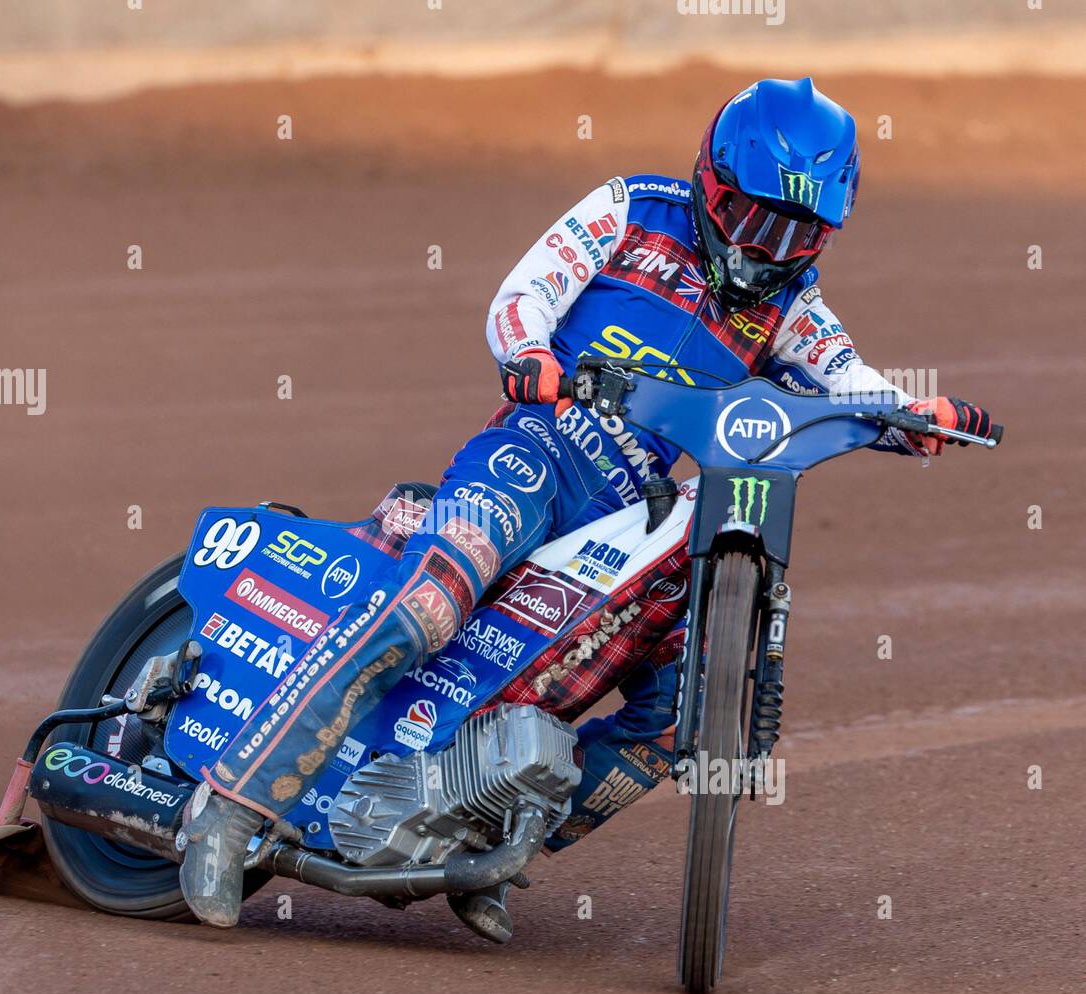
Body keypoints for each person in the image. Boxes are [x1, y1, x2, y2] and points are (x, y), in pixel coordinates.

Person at [140, 77, 996, 931]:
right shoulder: (632, 209)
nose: (768, 249)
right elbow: (524, 295)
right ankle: (233, 808)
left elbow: (852, 383)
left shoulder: (792, 310)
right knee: (427, 607)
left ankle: (486, 839)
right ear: (712, 182)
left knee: (677, 712)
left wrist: (917, 416)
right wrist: (528, 352)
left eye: (798, 232)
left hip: (630, 521)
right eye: (752, 218)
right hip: (535, 454)